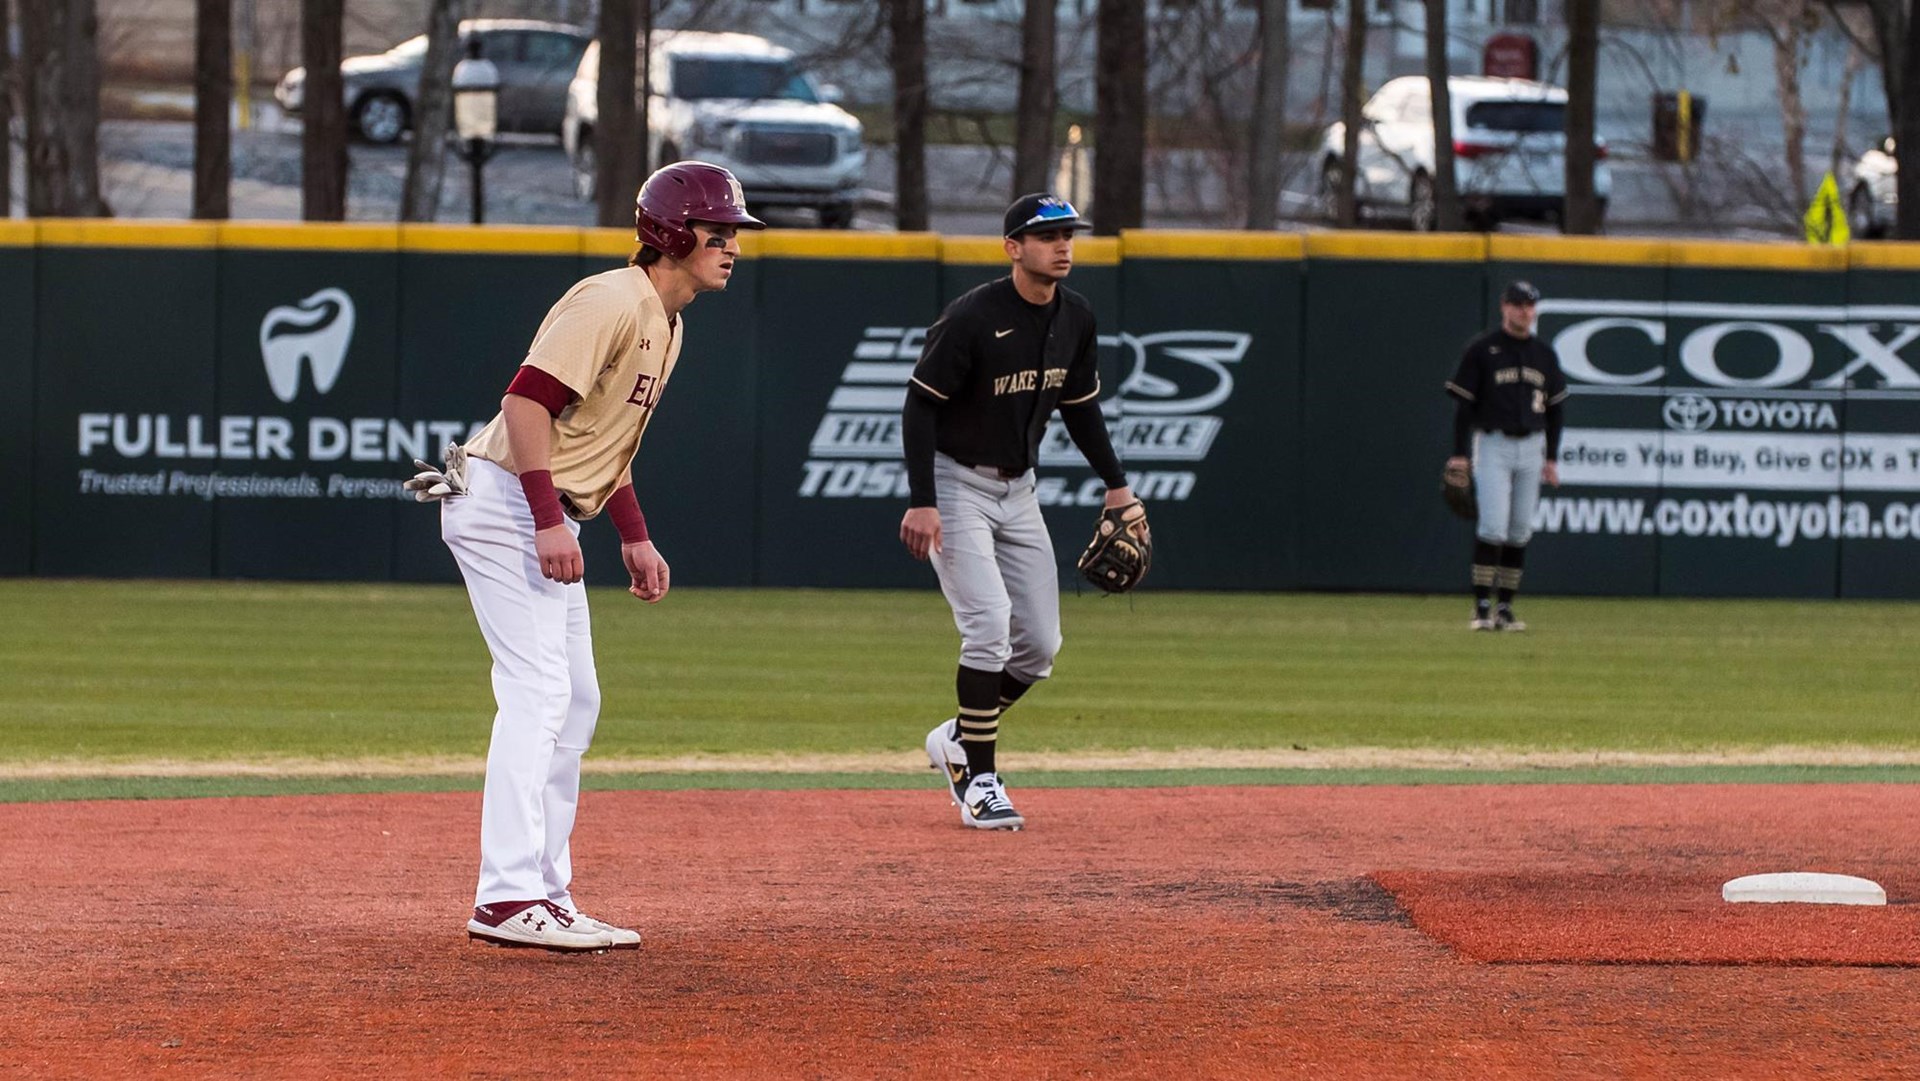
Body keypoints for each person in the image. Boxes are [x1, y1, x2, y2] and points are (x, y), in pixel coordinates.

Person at [430, 161, 762, 950]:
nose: (732, 247)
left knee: (574, 699)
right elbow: (524, 403)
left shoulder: (668, 320)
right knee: (538, 692)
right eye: (719, 233)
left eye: (733, 235)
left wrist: (633, 532)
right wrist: (548, 519)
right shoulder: (612, 298)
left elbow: (603, 442)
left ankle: (543, 888)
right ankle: (506, 898)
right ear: (674, 235)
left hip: (539, 506)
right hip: (504, 499)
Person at [898, 192, 1139, 830]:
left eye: (1068, 235)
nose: (1062, 246)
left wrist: (1117, 485)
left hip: (1020, 490)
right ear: (1013, 248)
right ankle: (980, 779)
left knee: (1038, 647)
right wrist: (924, 500)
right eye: (1046, 236)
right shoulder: (974, 317)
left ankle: (958, 735)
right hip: (957, 485)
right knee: (989, 627)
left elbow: (1081, 408)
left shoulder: (1077, 317)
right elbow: (921, 405)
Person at [1444, 279, 1567, 632]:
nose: (1524, 312)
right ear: (1504, 307)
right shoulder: (1483, 350)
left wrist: (1552, 458)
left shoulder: (1544, 354)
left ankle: (1506, 610)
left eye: (1529, 306)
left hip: (1532, 446)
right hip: (1493, 443)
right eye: (1518, 305)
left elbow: (1556, 410)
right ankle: (1481, 608)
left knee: (1519, 532)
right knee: (1492, 526)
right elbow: (1464, 407)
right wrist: (1459, 454)